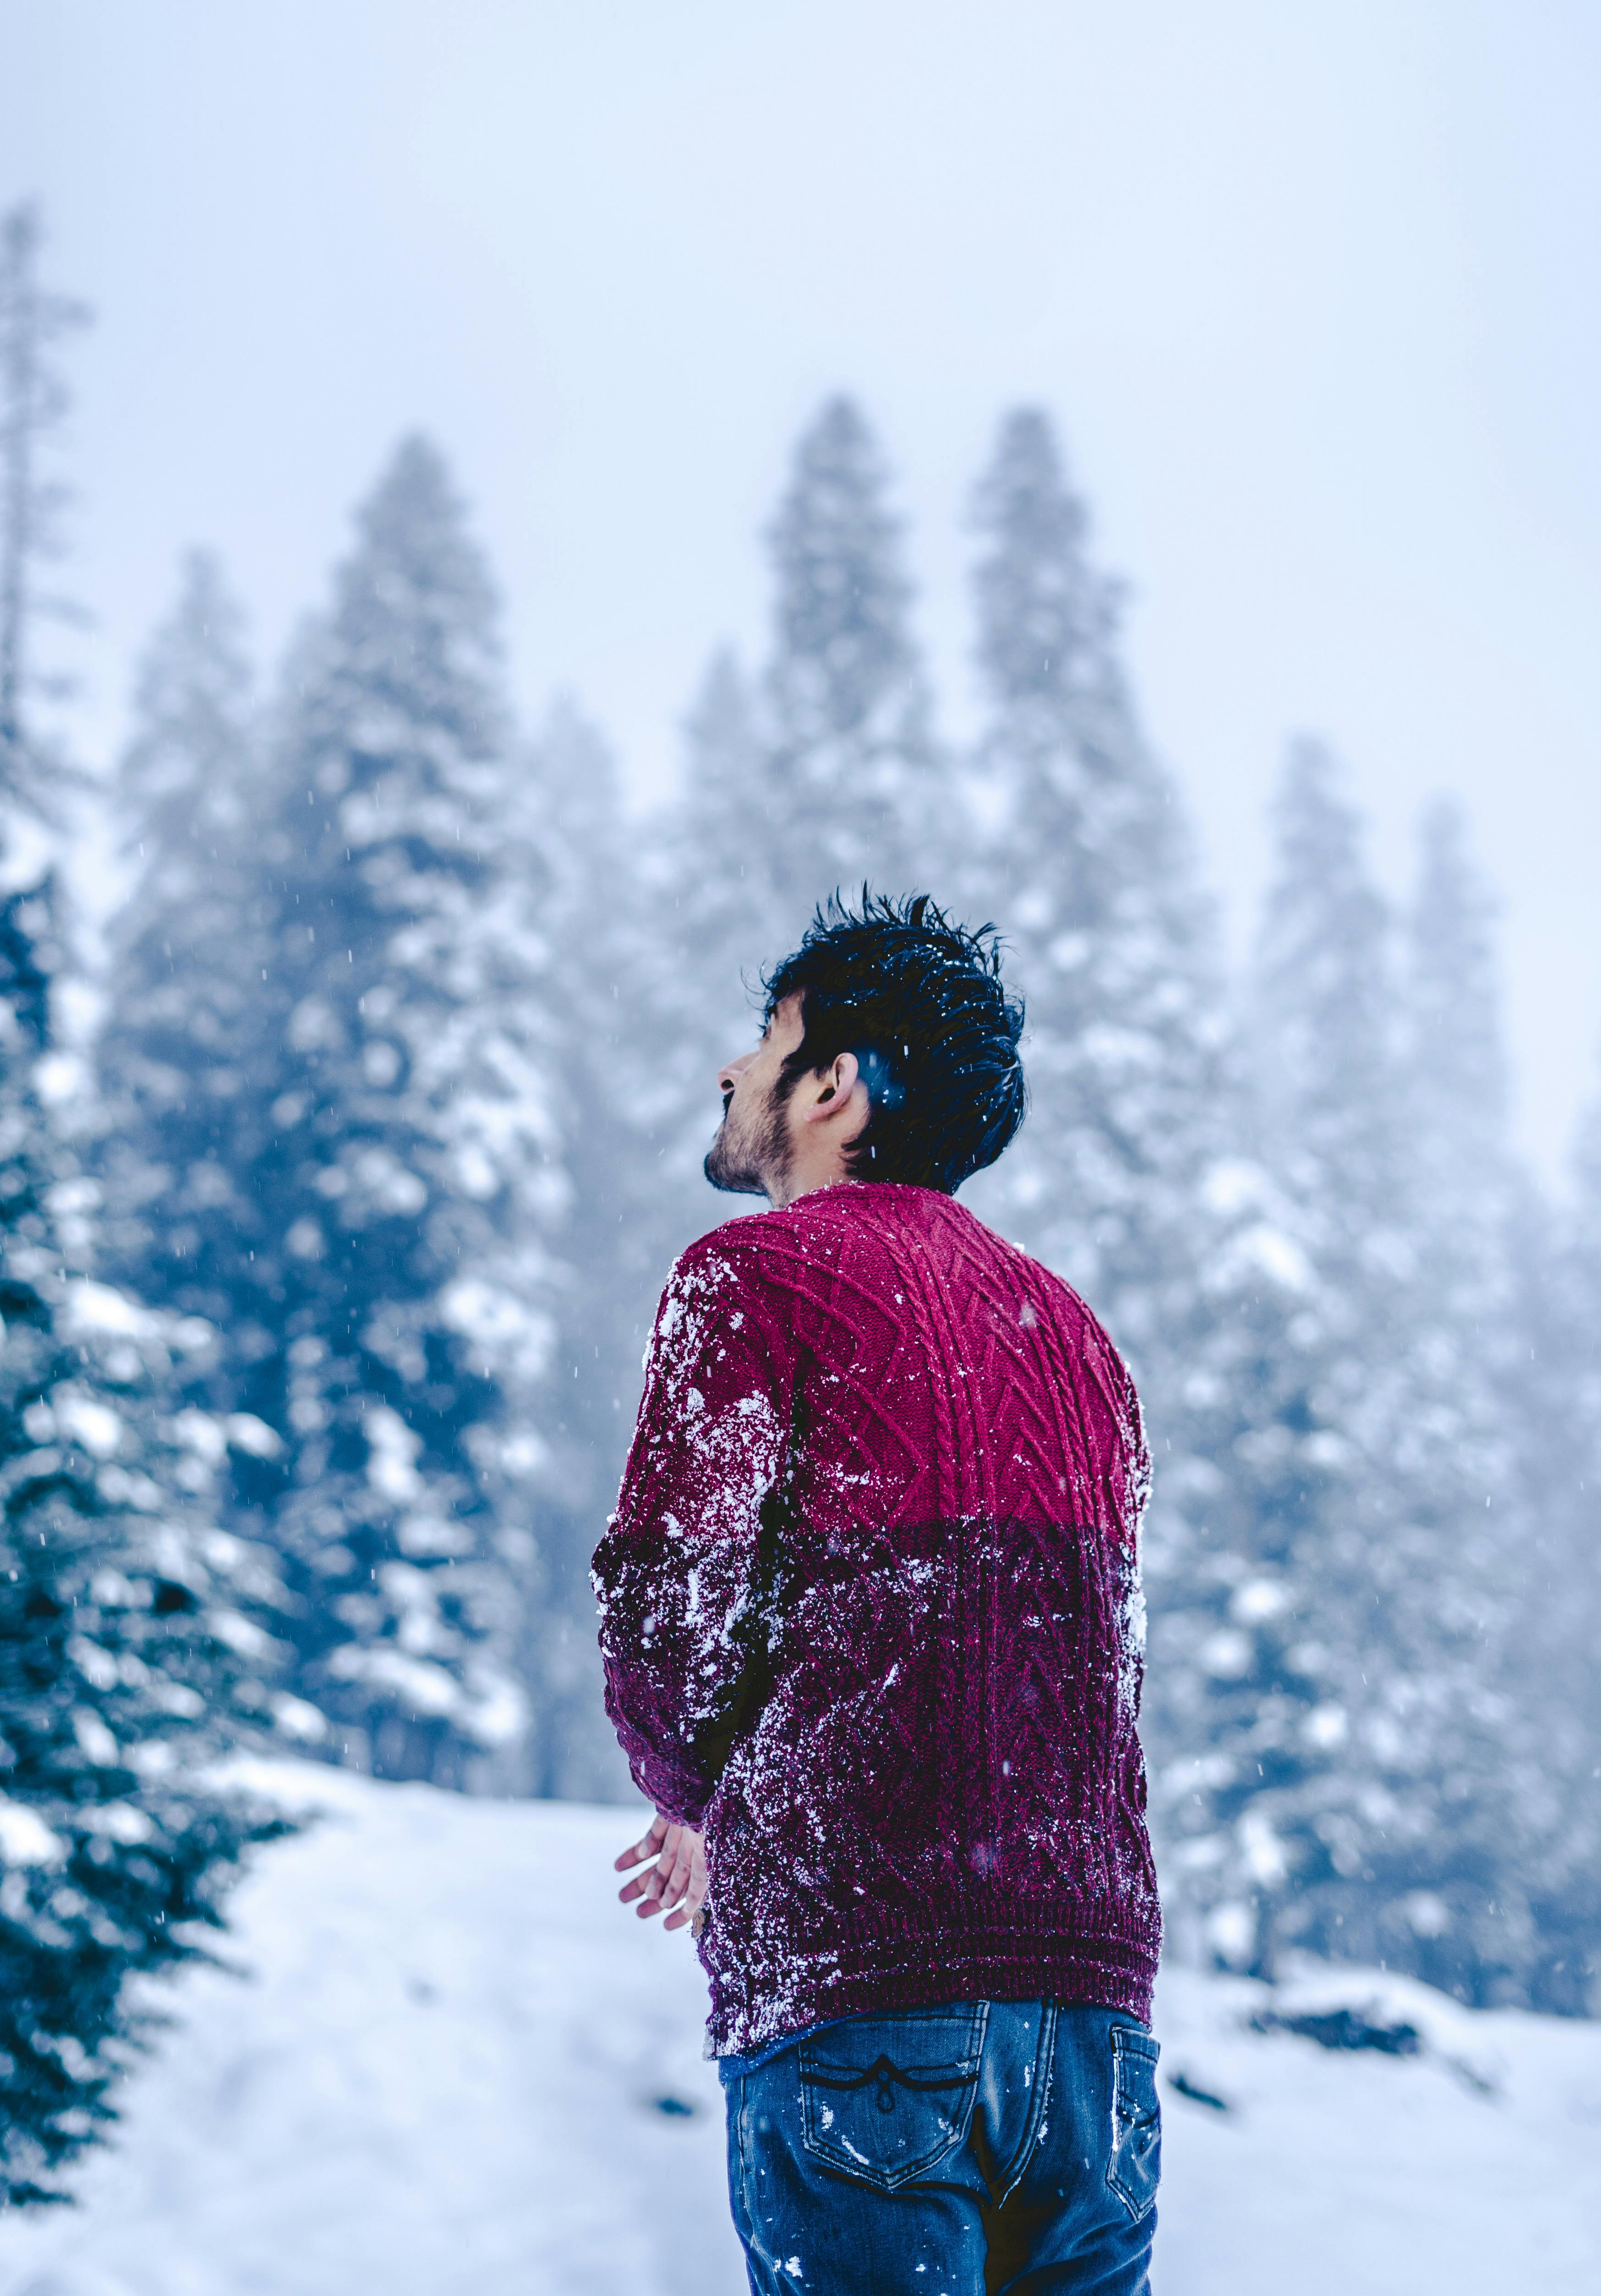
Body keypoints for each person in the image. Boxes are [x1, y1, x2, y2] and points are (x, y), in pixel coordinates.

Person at [592, 892, 1162, 2295]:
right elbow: (1101, 1659)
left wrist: (690, 1787)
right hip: (1092, 2029)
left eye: (765, 1042)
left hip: (864, 2003)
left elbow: (673, 1604)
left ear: (835, 1085)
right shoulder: (1076, 1332)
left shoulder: (750, 1279)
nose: (731, 1073)